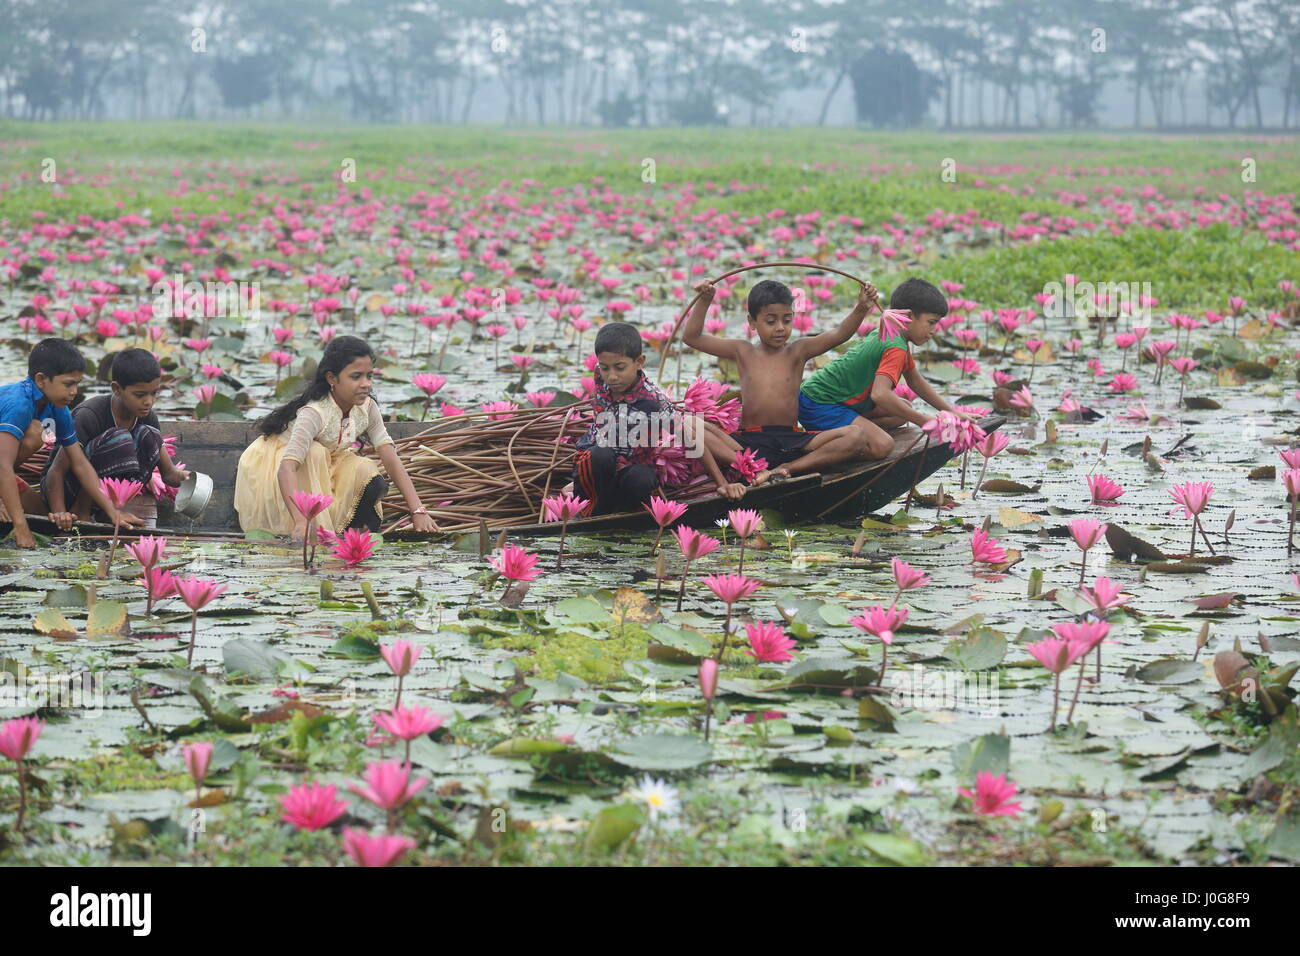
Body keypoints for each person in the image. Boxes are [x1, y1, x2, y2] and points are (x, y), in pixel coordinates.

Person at [233, 335, 436, 540]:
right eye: (356, 377)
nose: (366, 384)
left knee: (365, 468)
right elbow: (286, 469)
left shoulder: (367, 407)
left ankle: (348, 538)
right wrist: (301, 521)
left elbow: (389, 456)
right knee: (315, 452)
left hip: (327, 463)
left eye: (369, 376)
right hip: (278, 467)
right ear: (332, 379)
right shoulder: (314, 412)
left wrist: (418, 510)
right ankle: (312, 532)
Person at [682, 276, 878, 485]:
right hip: (748, 442)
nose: (780, 328)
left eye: (787, 320)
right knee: (689, 423)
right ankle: (750, 467)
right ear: (752, 322)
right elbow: (692, 337)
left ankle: (785, 469)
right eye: (770, 321)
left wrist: (861, 307)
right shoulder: (742, 350)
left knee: (856, 435)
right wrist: (705, 299)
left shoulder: (798, 350)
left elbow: (840, 334)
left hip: (791, 441)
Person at [571, 322, 743, 515]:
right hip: (597, 461)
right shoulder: (599, 373)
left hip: (630, 467)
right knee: (602, 454)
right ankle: (591, 510)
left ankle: (625, 513)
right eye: (605, 368)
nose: (611, 377)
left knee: (643, 478)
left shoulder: (653, 401)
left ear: (639, 362)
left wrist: (722, 483)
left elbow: (690, 437)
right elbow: (606, 371)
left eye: (619, 368)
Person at [798, 277, 978, 456]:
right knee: (882, 446)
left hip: (834, 401)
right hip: (819, 403)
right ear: (907, 317)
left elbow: (915, 380)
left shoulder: (892, 334)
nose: (934, 330)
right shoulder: (895, 346)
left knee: (902, 410)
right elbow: (880, 395)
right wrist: (924, 421)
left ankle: (855, 428)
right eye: (931, 322)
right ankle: (830, 441)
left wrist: (952, 411)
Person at [0, 338, 142, 548]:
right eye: (68, 384)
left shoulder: (58, 409)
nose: (74, 391)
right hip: (2, 468)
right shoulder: (19, 404)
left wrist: (113, 512)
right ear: (41, 380)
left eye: (77, 384)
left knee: (42, 516)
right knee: (34, 432)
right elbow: (3, 465)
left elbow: (80, 463)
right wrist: (20, 526)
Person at [41, 348, 190, 521]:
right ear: (117, 389)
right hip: (64, 489)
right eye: (140, 395)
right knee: (120, 438)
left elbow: (169, 473)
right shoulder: (89, 415)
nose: (149, 401)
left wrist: (187, 478)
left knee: (150, 435)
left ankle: (105, 510)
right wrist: (60, 514)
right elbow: (56, 472)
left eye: (154, 393)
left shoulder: (148, 418)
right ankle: (82, 511)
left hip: (105, 495)